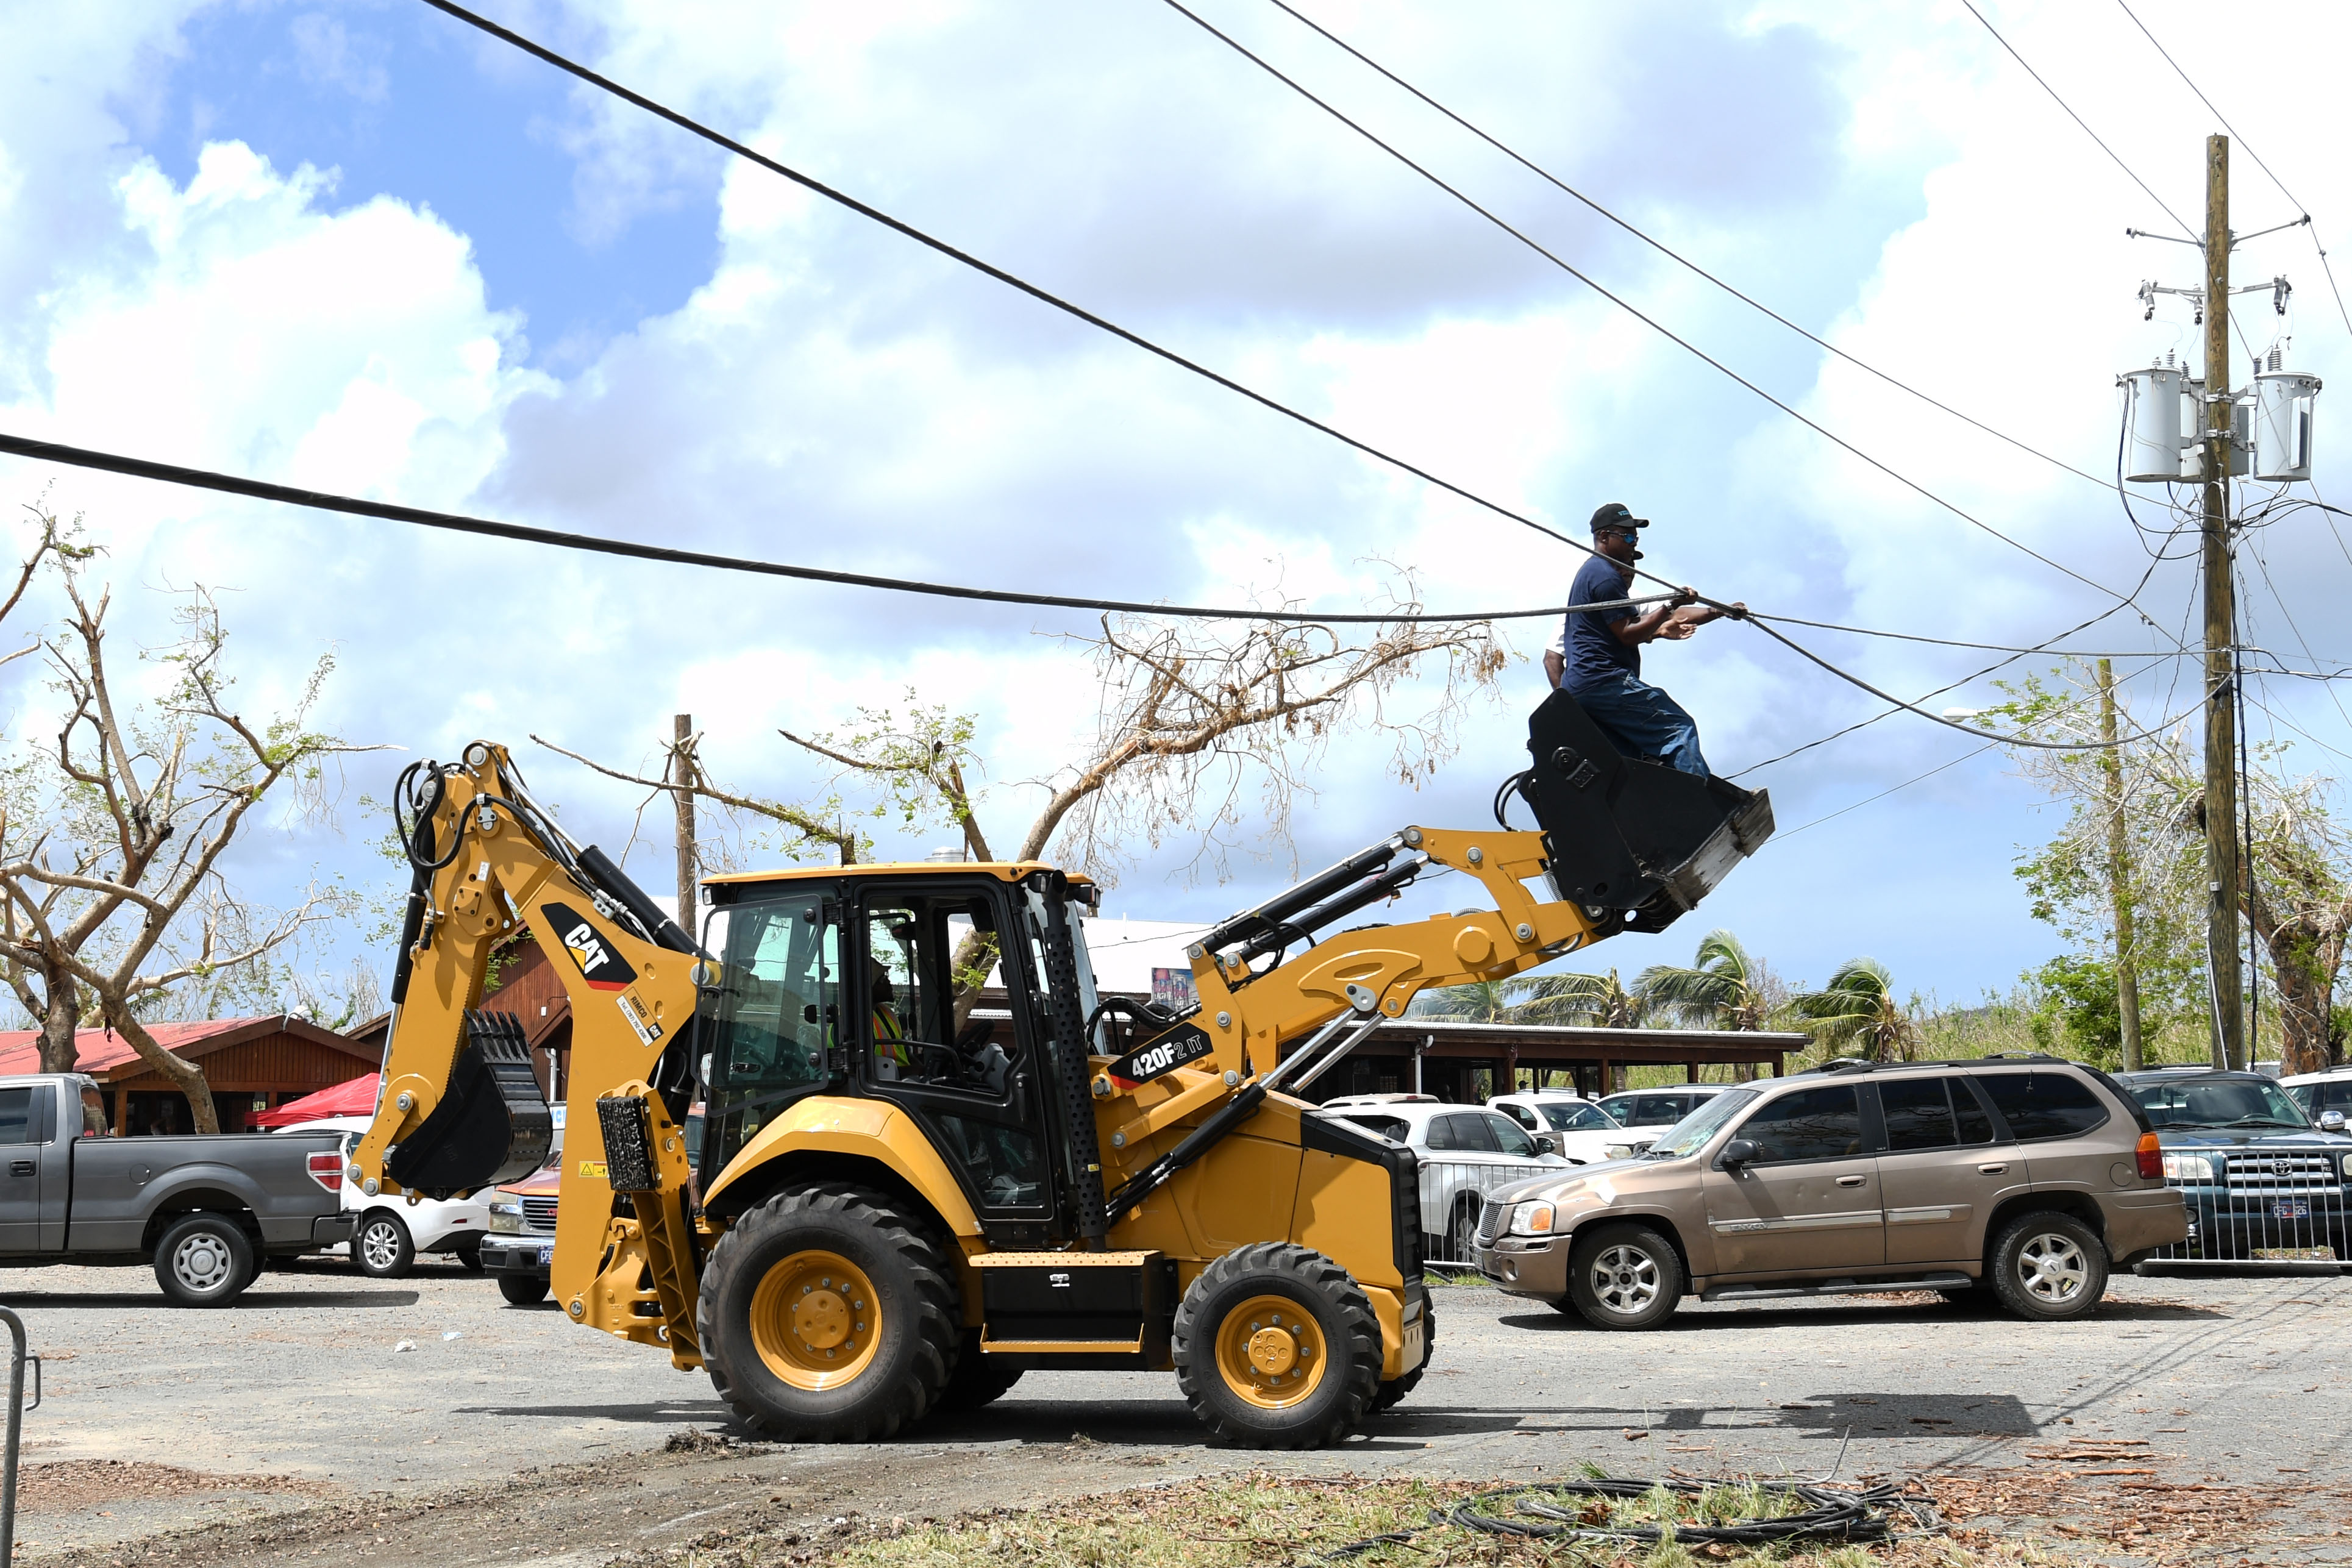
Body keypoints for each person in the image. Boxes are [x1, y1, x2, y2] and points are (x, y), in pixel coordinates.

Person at [1542, 502, 1742, 778]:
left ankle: (1663, 802)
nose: (1632, 545)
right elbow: (1625, 635)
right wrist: (1565, 705)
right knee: (1677, 729)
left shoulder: (1614, 589)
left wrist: (1718, 611)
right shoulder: (1604, 579)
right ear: (1604, 537)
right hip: (1602, 681)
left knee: (1631, 760)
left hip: (1585, 688)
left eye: (1635, 539)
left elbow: (1676, 615)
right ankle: (1701, 797)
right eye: (1627, 537)